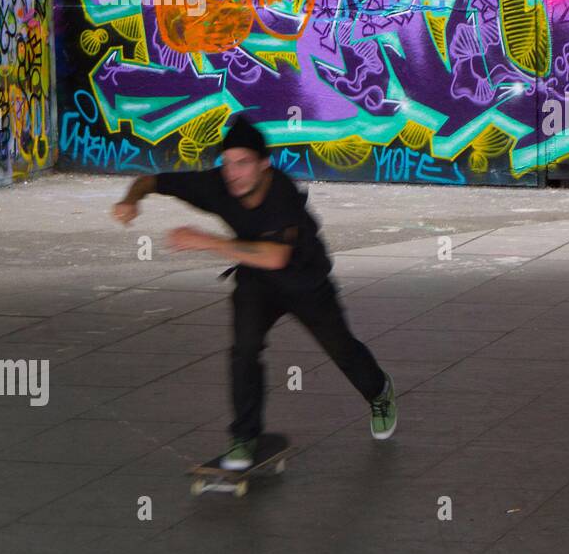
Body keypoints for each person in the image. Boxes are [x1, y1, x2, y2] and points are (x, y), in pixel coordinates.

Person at [111, 114, 397, 469]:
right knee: (243, 350)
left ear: (264, 165)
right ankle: (244, 436)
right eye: (228, 164)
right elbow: (150, 180)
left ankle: (378, 391)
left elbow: (277, 257)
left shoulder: (282, 192)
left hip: (303, 279)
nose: (233, 173)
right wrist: (130, 200)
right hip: (256, 280)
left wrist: (207, 242)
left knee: (340, 347)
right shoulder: (216, 184)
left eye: (243, 164)